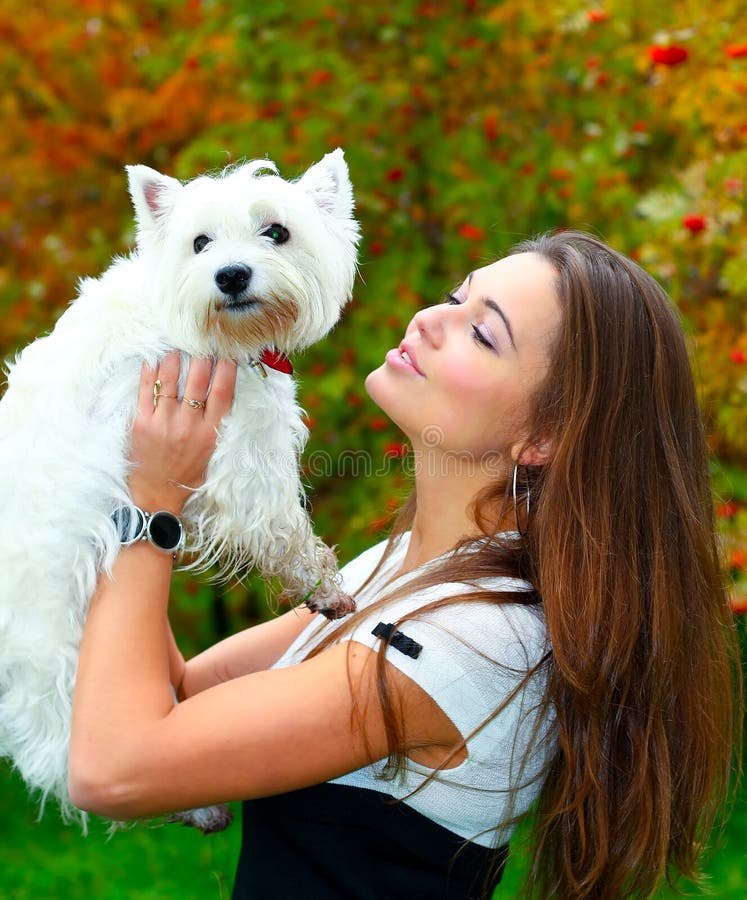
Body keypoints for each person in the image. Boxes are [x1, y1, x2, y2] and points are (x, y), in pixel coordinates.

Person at [69, 231, 742, 899]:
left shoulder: (475, 643)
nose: (429, 318)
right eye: (455, 296)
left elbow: (113, 769)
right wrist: (101, 469)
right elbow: (186, 697)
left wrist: (152, 507)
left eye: (482, 333)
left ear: (543, 436)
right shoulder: (402, 568)